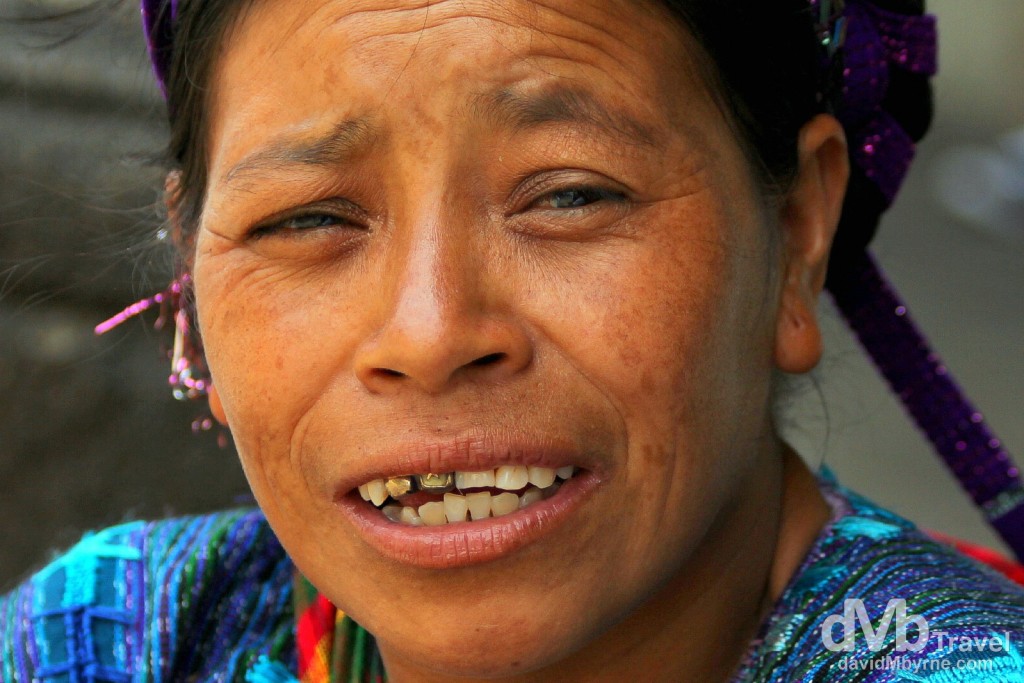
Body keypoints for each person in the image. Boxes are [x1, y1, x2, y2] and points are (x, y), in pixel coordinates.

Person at [2, 0, 1023, 681]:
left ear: (797, 229)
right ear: (194, 264)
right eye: (307, 218)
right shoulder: (107, 638)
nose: (431, 331)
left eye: (571, 195)